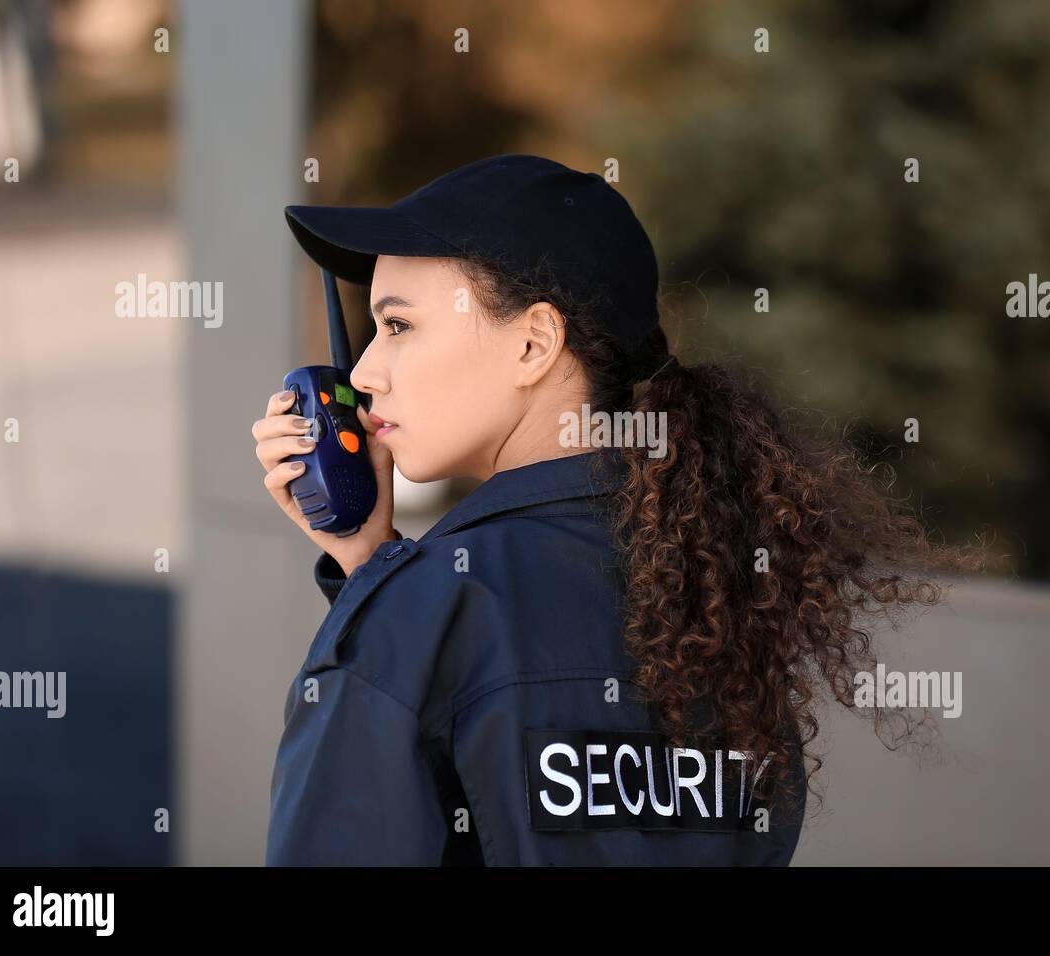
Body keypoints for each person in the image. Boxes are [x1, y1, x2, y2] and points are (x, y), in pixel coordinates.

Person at [251, 154, 979, 865]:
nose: (366, 372)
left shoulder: (424, 617)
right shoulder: (714, 599)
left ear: (534, 343)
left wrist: (381, 607)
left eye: (399, 325)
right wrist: (372, 571)